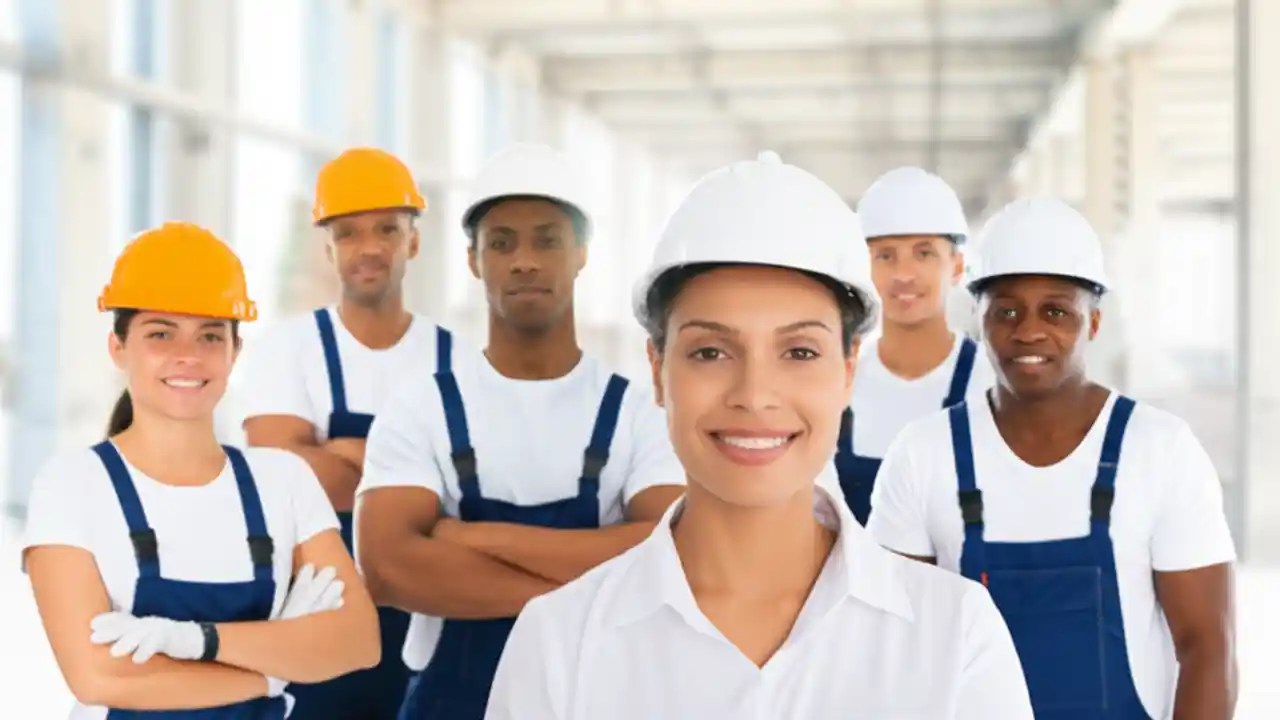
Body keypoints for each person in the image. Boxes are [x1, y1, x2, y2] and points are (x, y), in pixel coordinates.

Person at [484, 151, 1033, 719]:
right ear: (658, 370)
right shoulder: (560, 643)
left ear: (848, 372)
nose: (754, 394)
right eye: (710, 352)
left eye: (799, 352)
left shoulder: (954, 636)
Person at [868, 198, 1238, 719]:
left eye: (1056, 312)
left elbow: (1208, 648)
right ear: (979, 321)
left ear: (1093, 322)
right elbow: (891, 649)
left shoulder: (1160, 450)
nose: (1029, 331)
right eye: (1007, 311)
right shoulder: (923, 455)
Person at [355, 142, 687, 720]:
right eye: (502, 243)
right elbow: (387, 568)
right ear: (473, 260)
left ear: (581, 253)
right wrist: (586, 592)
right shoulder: (420, 408)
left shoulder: (640, 412)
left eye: (547, 241)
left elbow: (672, 553)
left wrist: (472, 538)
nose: (525, 261)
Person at [22, 222, 380, 719]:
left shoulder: (282, 481)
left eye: (210, 336)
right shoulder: (72, 484)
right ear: (118, 347)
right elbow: (98, 676)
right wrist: (271, 672)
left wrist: (197, 640)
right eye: (160, 333)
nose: (188, 355)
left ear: (235, 351)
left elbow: (358, 642)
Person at [240, 147, 455, 719]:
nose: (370, 247)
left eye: (387, 229)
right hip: (313, 618)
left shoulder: (457, 360)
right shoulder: (288, 349)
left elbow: (467, 497)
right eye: (349, 232)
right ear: (328, 247)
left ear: (413, 240)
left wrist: (342, 453)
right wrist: (414, 473)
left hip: (428, 624)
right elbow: (280, 478)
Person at [836, 166, 995, 525]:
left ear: (957, 267)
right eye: (885, 255)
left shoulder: (992, 385)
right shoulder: (837, 381)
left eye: (924, 254)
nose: (903, 274)